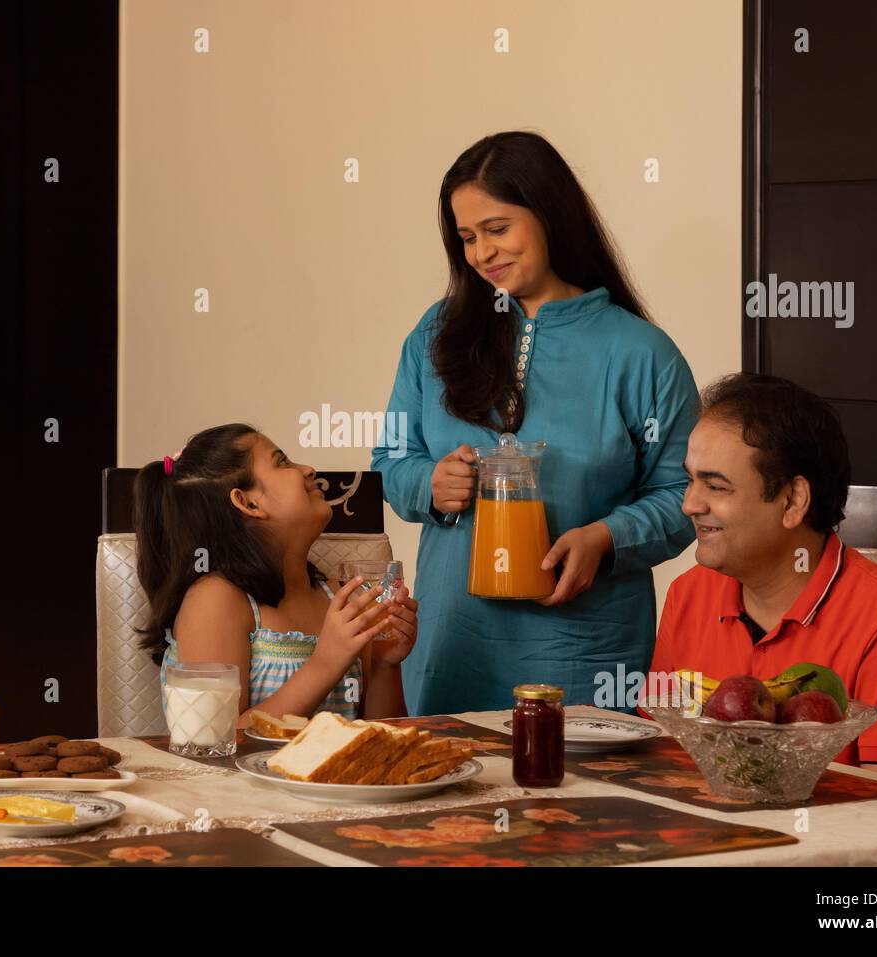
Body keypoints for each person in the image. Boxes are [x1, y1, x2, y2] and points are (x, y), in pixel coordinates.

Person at [371, 130, 697, 714]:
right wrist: (429, 484)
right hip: (455, 633)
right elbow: (392, 461)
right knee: (450, 799)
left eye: (498, 229)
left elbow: (684, 494)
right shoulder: (436, 333)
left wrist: (606, 537)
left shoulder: (640, 352)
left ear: (550, 214)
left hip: (583, 640)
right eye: (467, 237)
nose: (481, 253)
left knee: (574, 803)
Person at [648, 373, 877, 782]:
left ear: (793, 500)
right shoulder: (688, 594)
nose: (689, 504)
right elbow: (663, 762)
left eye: (716, 486)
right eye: (690, 480)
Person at [135, 424, 418, 722]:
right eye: (282, 461)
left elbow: (382, 735)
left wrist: (385, 663)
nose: (308, 470)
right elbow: (217, 740)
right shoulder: (216, 600)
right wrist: (325, 663)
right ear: (248, 502)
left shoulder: (340, 596)